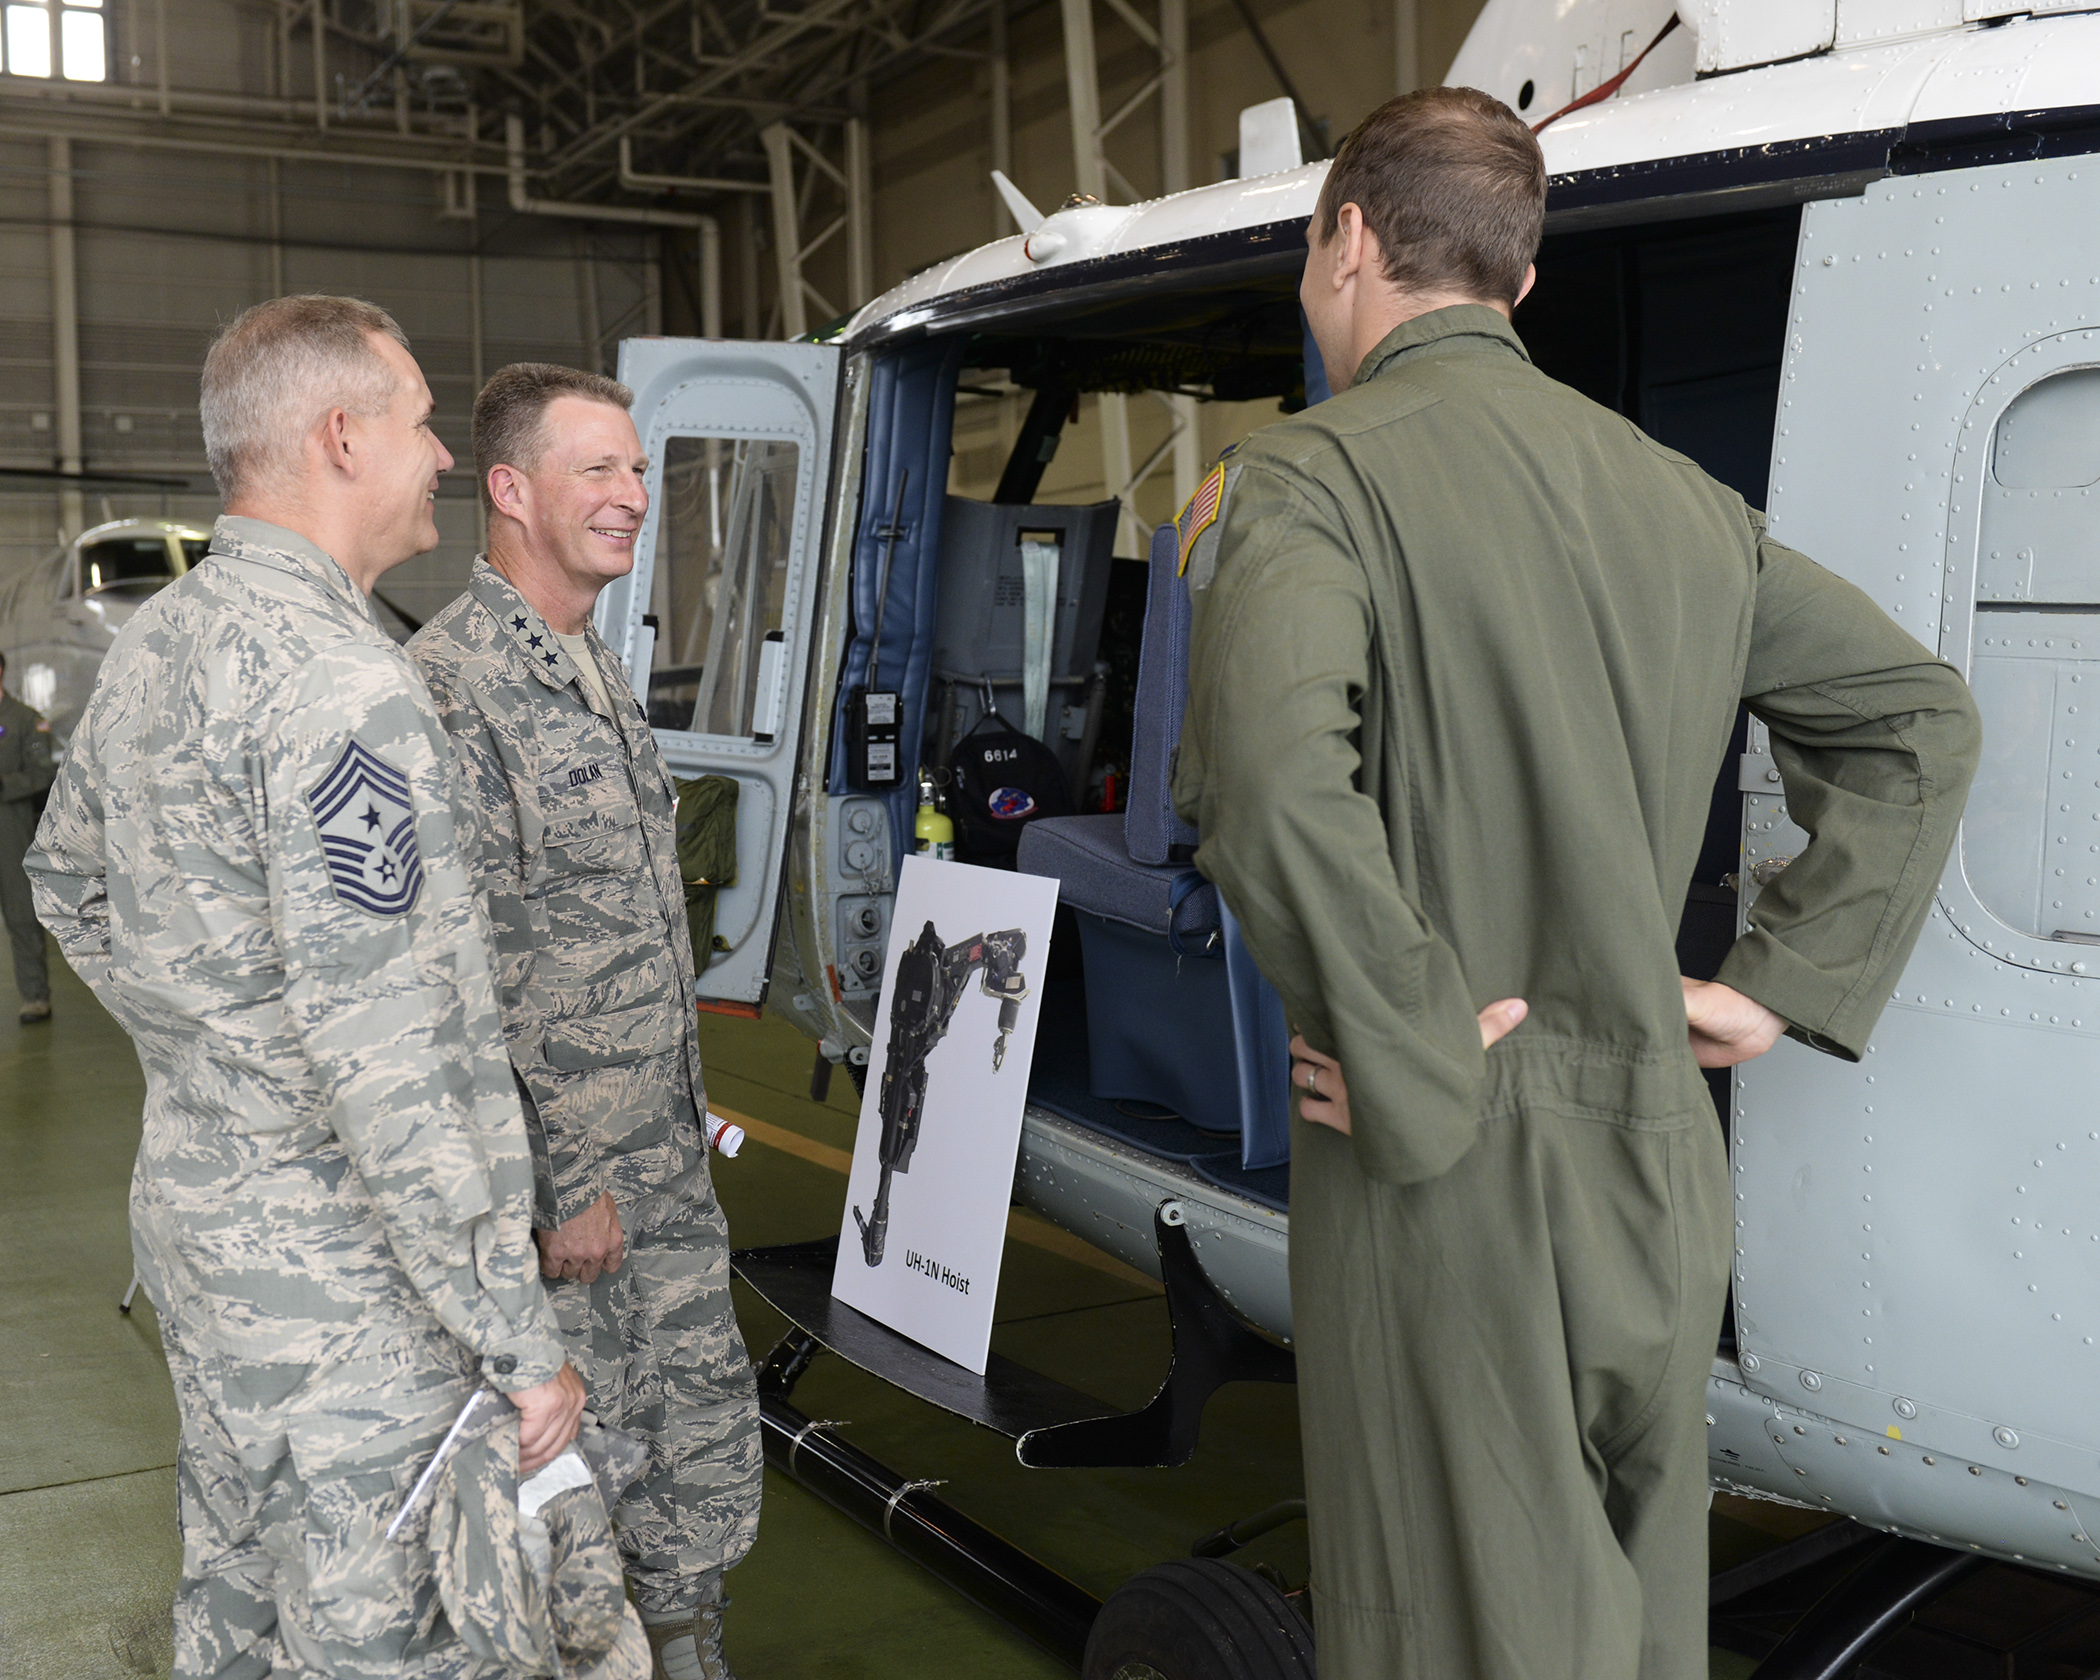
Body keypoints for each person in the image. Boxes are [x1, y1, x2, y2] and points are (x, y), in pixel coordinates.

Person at [1171, 89, 1982, 1680]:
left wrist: (1406, 1045)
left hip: (1449, 1172)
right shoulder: (1681, 503)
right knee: (1637, 1627)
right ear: (1518, 283)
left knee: (1453, 1633)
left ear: (1344, 239)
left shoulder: (1309, 482)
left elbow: (1272, 781)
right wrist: (1774, 984)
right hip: (1661, 1166)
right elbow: (1918, 719)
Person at [27, 296, 591, 1680]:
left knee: (233, 1607)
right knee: (380, 1640)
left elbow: (64, 881)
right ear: (342, 437)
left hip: (206, 1250)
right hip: (353, 1308)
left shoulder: (162, 644)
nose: (445, 456)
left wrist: (219, 1043)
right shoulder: (349, 690)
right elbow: (394, 1066)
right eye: (416, 419)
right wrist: (520, 1345)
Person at [407, 363, 761, 1680]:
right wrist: (565, 1183)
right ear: (508, 489)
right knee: (577, 1503)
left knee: (686, 1459)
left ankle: (690, 1655)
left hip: (655, 1164)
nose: (631, 495)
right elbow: (470, 968)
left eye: (636, 468)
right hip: (575, 1203)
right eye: (596, 469)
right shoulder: (453, 685)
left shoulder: (595, 668)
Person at [0, 651, 56, 1022]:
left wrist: (5, 784)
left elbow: (40, 772)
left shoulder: (24, 720)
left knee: (21, 914)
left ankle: (36, 996)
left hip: (9, 826)